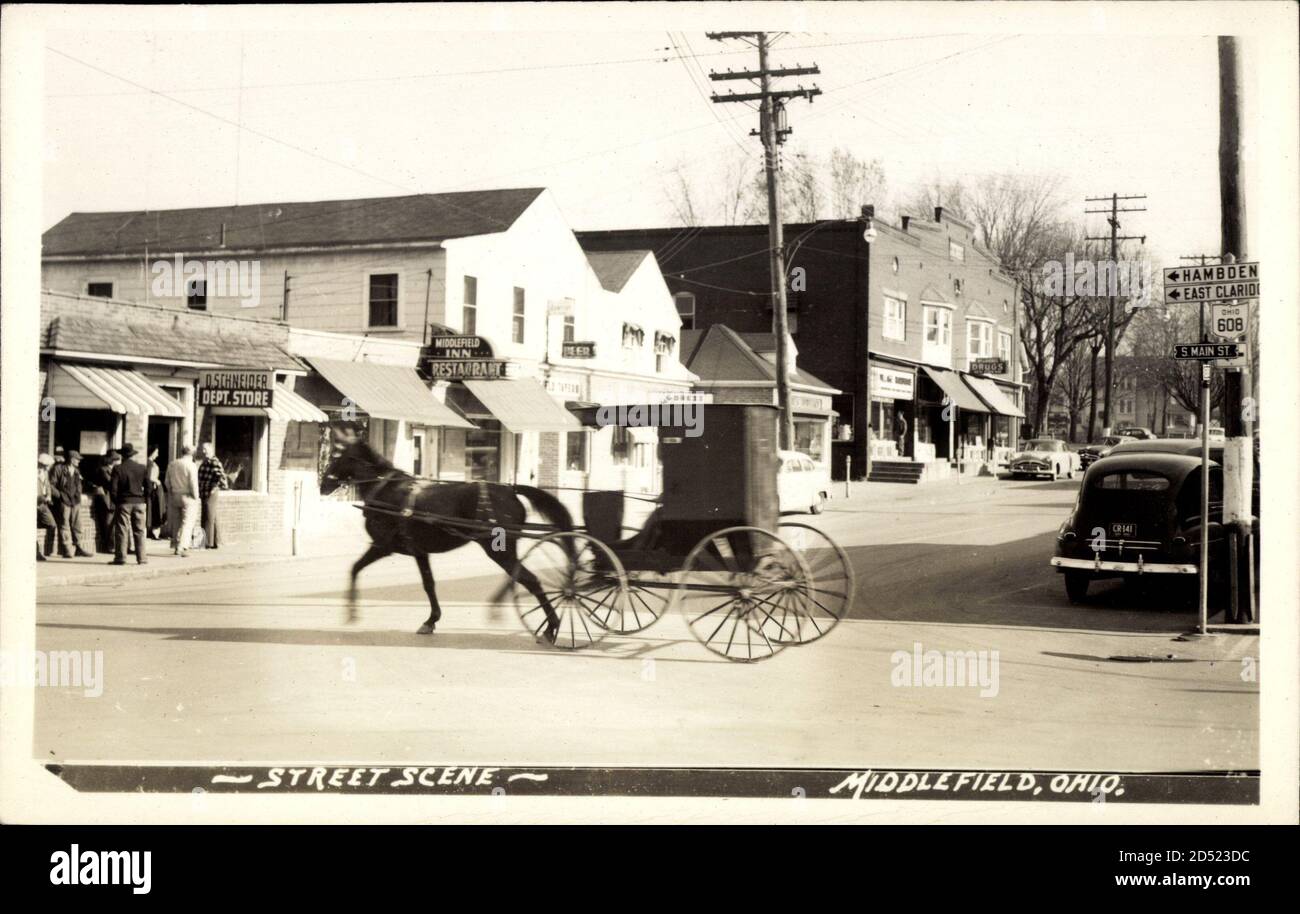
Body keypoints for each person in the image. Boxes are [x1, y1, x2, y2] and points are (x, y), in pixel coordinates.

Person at [110, 442, 152, 566]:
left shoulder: (118, 469)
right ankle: (142, 558)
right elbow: (149, 487)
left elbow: (113, 489)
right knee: (139, 531)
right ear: (132, 455)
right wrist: (144, 498)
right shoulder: (142, 468)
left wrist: (117, 501)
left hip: (124, 502)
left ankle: (121, 558)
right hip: (139, 502)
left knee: (122, 530)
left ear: (122, 455)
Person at [49, 449, 93, 558]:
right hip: (64, 501)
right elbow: (51, 485)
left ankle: (78, 547)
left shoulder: (77, 471)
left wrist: (78, 496)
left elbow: (79, 485)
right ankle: (67, 549)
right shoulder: (58, 469)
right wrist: (60, 496)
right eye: (77, 459)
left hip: (75, 501)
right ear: (71, 459)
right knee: (64, 525)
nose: (79, 461)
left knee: (77, 524)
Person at [165, 444, 201, 556]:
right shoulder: (191, 465)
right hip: (188, 496)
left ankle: (175, 543)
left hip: (175, 495)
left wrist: (171, 492)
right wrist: (196, 497)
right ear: (192, 453)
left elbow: (166, 481)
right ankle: (182, 546)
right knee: (187, 522)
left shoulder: (172, 464)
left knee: (175, 522)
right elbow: (193, 483)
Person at [196, 443, 229, 549]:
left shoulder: (214, 461)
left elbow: (222, 477)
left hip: (210, 493)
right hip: (204, 492)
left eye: (205, 449)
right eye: (202, 449)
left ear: (211, 449)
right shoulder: (205, 462)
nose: (203, 451)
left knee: (208, 517)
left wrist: (214, 488)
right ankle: (216, 541)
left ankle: (207, 543)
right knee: (212, 516)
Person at [89, 451, 120, 554]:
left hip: (112, 500)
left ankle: (112, 546)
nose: (118, 462)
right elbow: (110, 483)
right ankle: (109, 547)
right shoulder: (104, 470)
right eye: (116, 460)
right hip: (106, 500)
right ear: (112, 461)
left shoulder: (113, 470)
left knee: (113, 524)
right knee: (108, 524)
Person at [36, 453, 57, 563]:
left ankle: (47, 550)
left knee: (52, 524)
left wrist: (48, 495)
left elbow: (48, 485)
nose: (49, 467)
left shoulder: (46, 473)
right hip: (35, 503)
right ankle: (36, 553)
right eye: (47, 465)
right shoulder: (33, 473)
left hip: (43, 504)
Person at [146, 447, 165, 539]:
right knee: (156, 509)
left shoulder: (150, 463)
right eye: (156, 452)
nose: (157, 454)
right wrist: (157, 482)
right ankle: (154, 532)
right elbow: (150, 477)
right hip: (155, 489)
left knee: (156, 509)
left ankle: (154, 531)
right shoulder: (150, 464)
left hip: (154, 488)